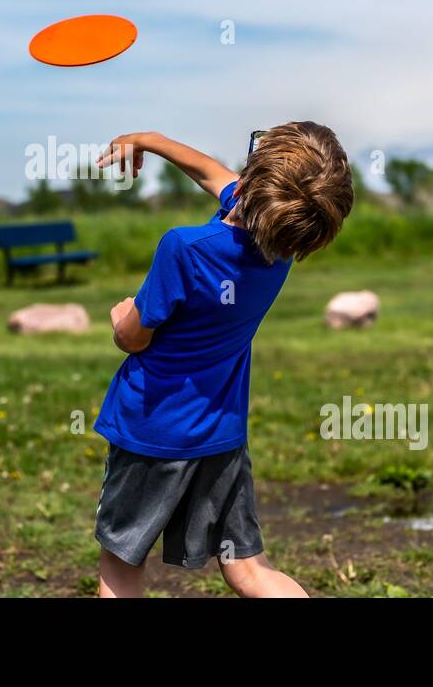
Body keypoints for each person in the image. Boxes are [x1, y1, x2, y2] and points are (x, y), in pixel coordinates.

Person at [91, 123, 355, 597]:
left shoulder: (185, 247)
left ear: (258, 179)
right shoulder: (281, 245)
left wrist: (121, 316)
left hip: (151, 431)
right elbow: (212, 175)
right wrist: (149, 140)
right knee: (248, 569)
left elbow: (133, 339)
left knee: (121, 564)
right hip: (221, 436)